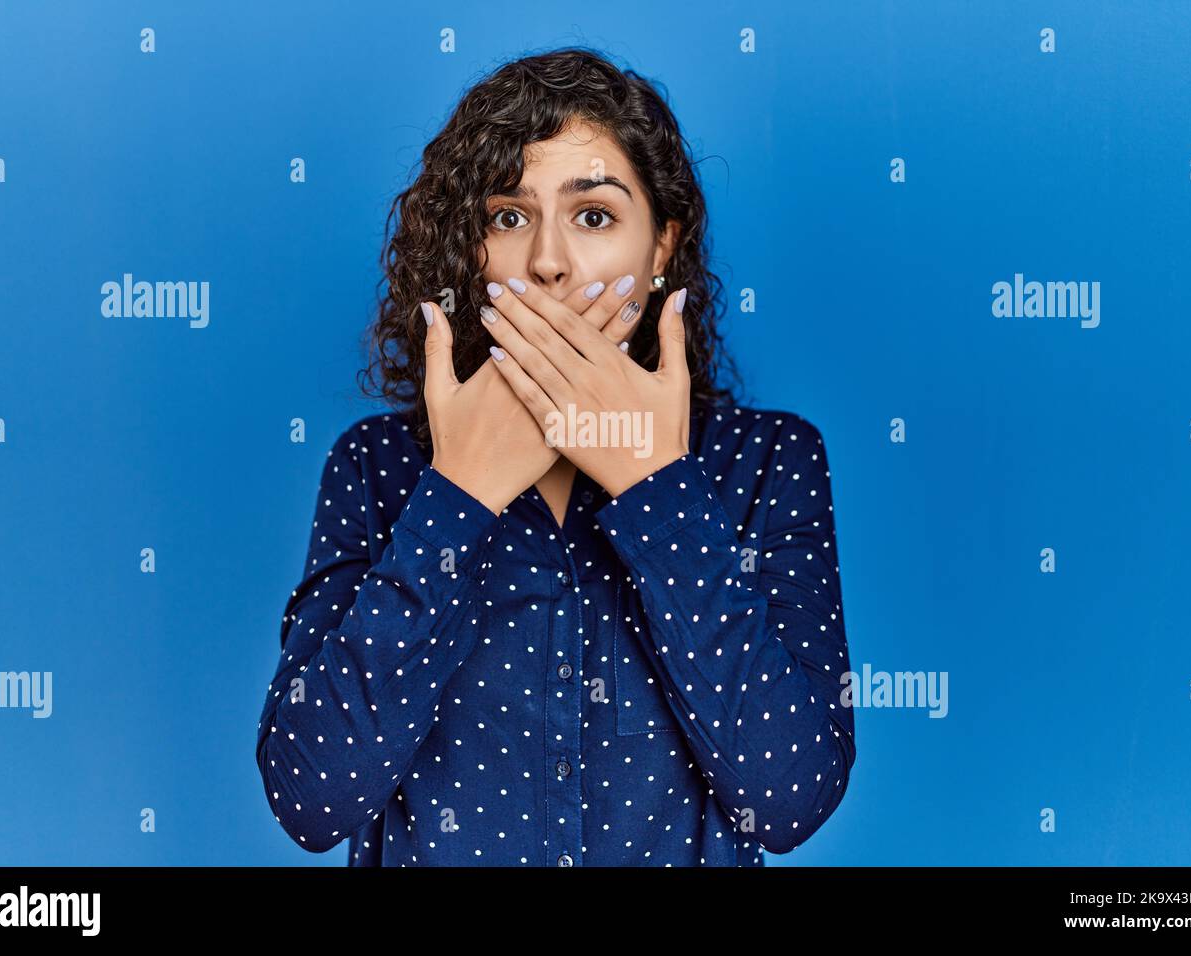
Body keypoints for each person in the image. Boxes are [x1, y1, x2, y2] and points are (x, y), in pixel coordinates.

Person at [254, 47, 855, 866]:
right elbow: (310, 794)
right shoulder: (377, 467)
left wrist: (655, 482)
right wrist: (456, 494)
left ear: (662, 249)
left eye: (595, 215)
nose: (547, 260)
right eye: (508, 216)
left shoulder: (767, 462)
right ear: (472, 254)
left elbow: (790, 797)